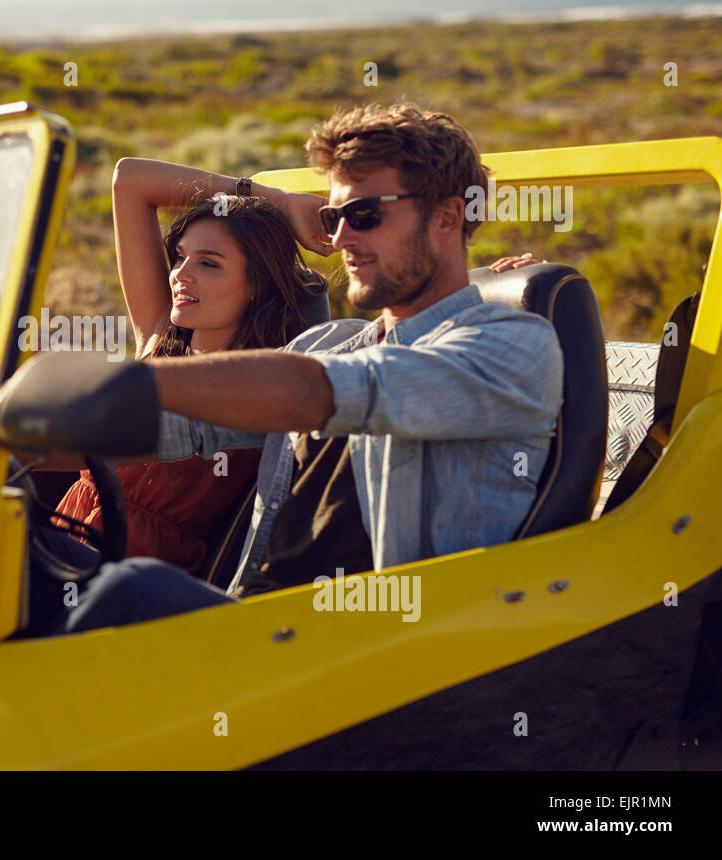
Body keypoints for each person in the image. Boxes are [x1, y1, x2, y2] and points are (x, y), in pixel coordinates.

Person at [43, 102, 564, 633]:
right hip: (272, 624)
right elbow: (186, 429)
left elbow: (325, 391)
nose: (338, 241)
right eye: (334, 219)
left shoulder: (509, 344)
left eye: (364, 216)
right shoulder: (332, 342)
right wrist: (19, 436)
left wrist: (120, 382)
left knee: (123, 592)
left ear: (447, 217)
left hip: (394, 649)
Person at [45, 162, 331, 577]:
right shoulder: (160, 338)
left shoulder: (265, 382)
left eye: (208, 263)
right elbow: (129, 180)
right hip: (67, 546)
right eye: (180, 257)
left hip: (141, 578)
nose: (180, 275)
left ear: (256, 284)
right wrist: (276, 200)